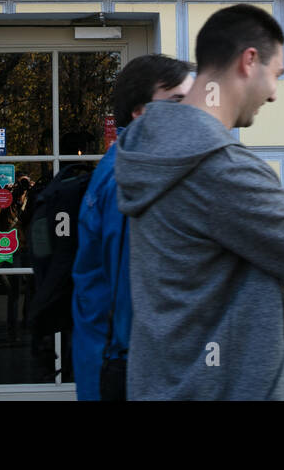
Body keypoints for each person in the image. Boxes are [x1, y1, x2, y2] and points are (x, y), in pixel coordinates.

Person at [114, 4, 284, 400]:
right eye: (276, 76)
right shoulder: (222, 167)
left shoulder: (161, 149)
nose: (273, 94)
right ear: (249, 60)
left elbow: (229, 231)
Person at [72, 53, 194, 401]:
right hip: (125, 370)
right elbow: (130, 289)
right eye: (177, 102)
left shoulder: (131, 164)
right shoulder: (130, 178)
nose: (190, 113)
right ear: (139, 112)